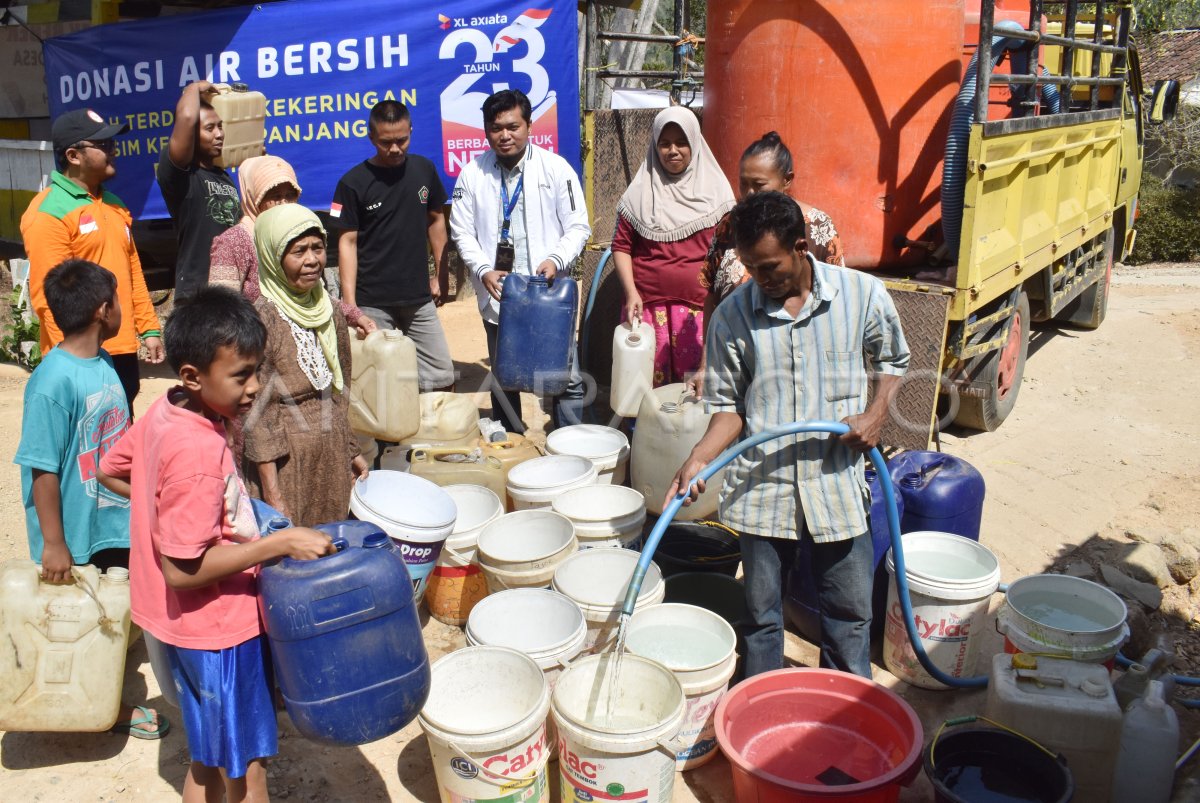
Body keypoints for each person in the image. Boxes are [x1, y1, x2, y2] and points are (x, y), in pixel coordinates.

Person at [98, 287, 335, 801]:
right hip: (218, 629)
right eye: (241, 376)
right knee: (246, 769)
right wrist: (279, 543)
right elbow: (185, 569)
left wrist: (165, 508)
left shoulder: (169, 409)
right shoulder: (199, 453)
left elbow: (111, 467)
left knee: (209, 758)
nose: (254, 388)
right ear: (192, 375)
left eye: (256, 371)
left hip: (177, 625)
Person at [668, 192, 909, 679]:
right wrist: (698, 457)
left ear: (802, 247)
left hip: (835, 485)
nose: (760, 279)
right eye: (751, 268)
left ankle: (843, 716)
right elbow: (729, 409)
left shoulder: (861, 295)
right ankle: (762, 712)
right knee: (760, 620)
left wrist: (876, 413)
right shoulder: (734, 316)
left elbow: (893, 361)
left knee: (848, 616)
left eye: (769, 267)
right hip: (764, 490)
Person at [14, 258, 168, 740]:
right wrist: (53, 544)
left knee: (111, 605)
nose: (123, 308)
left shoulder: (102, 365)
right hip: (75, 530)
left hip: (111, 519)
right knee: (81, 618)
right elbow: (42, 468)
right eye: (119, 300)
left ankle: (104, 685)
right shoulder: (53, 381)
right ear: (104, 310)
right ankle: (105, 706)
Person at [450, 89, 591, 434]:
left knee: (567, 379)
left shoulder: (556, 169)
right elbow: (461, 231)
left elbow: (578, 225)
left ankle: (568, 443)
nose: (505, 135)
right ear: (485, 130)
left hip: (548, 294)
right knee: (504, 378)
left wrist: (556, 259)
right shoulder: (472, 174)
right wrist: (483, 270)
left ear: (529, 125)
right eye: (496, 128)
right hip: (500, 295)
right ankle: (512, 443)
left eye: (513, 126)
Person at [21, 107, 164, 410]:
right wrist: (75, 360)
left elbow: (132, 271)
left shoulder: (115, 205)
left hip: (121, 346)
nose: (114, 151)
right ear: (73, 156)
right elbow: (49, 297)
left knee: (117, 439)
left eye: (112, 144)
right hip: (80, 356)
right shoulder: (48, 212)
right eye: (103, 146)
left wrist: (148, 329)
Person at [694, 131, 848, 394]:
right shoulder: (731, 225)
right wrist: (707, 362)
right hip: (736, 357)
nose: (749, 193)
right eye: (744, 184)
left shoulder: (818, 228)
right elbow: (712, 298)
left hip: (796, 366)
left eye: (759, 184)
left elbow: (837, 299)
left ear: (786, 180)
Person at [242, 204, 368, 526]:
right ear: (273, 258)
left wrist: (350, 448)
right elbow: (259, 414)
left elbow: (341, 389)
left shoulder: (329, 311)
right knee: (290, 552)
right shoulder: (262, 320)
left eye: (318, 248)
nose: (312, 260)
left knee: (331, 544)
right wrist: (274, 496)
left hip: (330, 450)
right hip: (287, 464)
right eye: (299, 251)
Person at [332, 101, 452, 390]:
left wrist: (442, 274)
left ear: (411, 131)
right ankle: (392, 438)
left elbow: (436, 221)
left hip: (419, 298)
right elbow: (347, 242)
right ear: (372, 137)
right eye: (386, 142)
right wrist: (350, 304)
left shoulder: (424, 169)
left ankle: (432, 434)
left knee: (441, 376)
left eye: (402, 140)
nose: (395, 148)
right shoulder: (352, 183)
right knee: (383, 386)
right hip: (373, 302)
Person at [612, 106, 735, 388]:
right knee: (641, 385)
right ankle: (644, 433)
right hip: (645, 309)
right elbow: (622, 246)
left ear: (695, 143)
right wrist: (630, 292)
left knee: (694, 388)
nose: (673, 151)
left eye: (681, 143)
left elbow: (730, 254)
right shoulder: (639, 193)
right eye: (664, 143)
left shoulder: (718, 194)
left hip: (700, 312)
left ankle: (695, 434)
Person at [209, 154, 376, 337]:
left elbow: (317, 296)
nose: (284, 203)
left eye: (290, 195)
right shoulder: (234, 242)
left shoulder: (296, 234)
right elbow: (221, 311)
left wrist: (356, 316)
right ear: (253, 197)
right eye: (275, 196)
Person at [158, 80, 241, 301]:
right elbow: (186, 118)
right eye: (209, 128)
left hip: (231, 291)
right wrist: (193, 88)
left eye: (220, 126)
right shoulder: (181, 176)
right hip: (197, 296)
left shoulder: (224, 176)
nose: (219, 134)